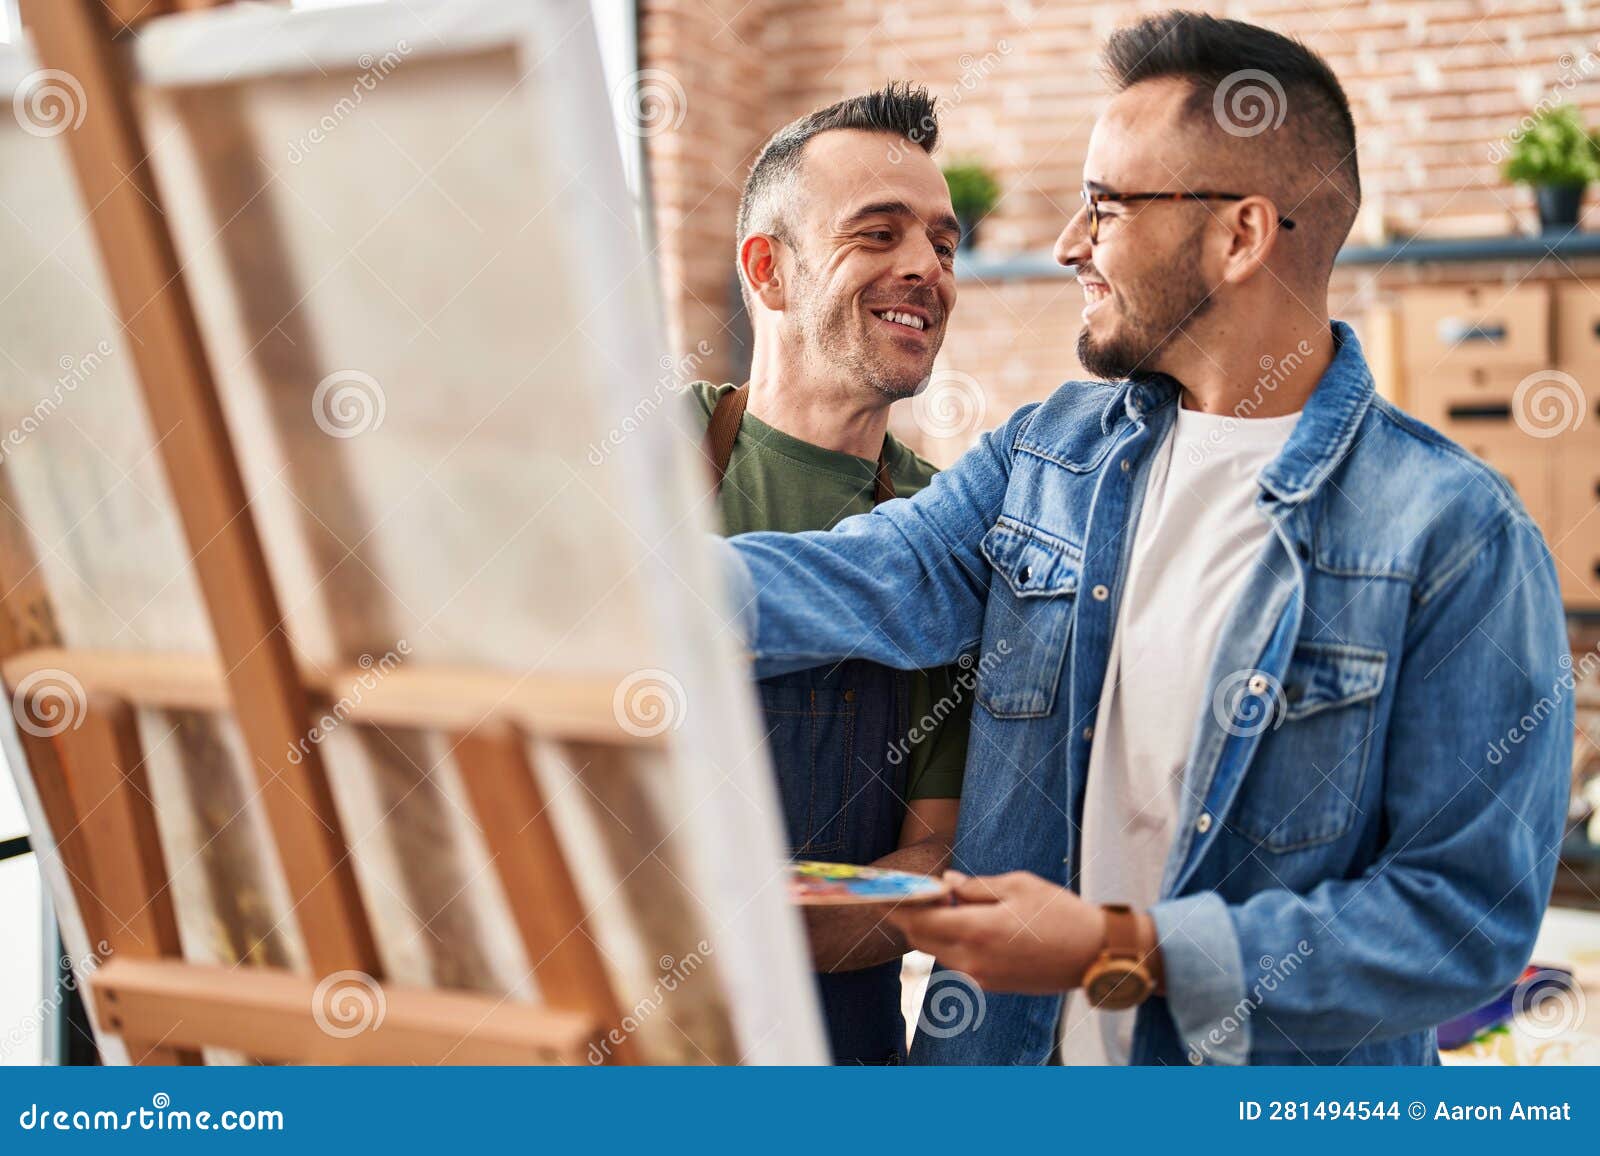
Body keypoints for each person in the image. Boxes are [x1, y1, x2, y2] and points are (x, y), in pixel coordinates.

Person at [715, 11, 1572, 1065]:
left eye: (1105, 207)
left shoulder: (1453, 538)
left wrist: (1126, 949)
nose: (1070, 243)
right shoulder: (1046, 458)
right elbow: (862, 575)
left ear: (1240, 235)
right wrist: (581, 590)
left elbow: (1462, 922)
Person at [690, 82, 971, 1064]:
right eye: (879, 232)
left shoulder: (950, 533)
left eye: (943, 242)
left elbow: (930, 857)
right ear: (767, 271)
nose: (924, 269)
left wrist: (737, 933)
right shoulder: (645, 460)